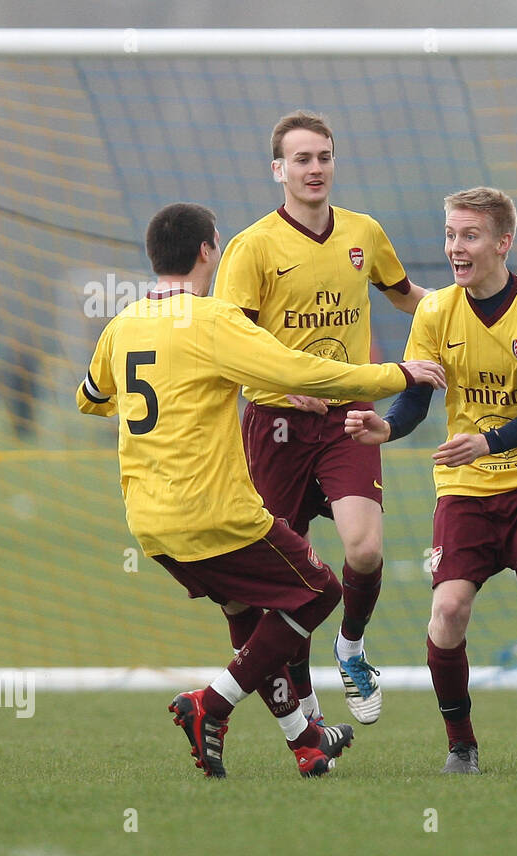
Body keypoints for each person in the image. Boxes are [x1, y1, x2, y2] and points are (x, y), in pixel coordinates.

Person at [76, 202, 444, 778]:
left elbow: (90, 397)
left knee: (249, 613)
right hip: (216, 515)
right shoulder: (213, 320)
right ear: (208, 249)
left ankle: (306, 740)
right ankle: (211, 703)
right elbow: (304, 374)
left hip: (151, 525)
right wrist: (398, 374)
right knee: (319, 591)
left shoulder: (121, 327)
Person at [345, 187, 517, 775]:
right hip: (467, 484)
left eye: (470, 236)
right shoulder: (434, 311)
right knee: (449, 609)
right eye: (452, 235)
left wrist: (487, 440)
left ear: (503, 242)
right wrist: (387, 428)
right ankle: (461, 748)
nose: (456, 248)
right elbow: (415, 397)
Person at [214, 110, 429, 727]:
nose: (315, 169)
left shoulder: (364, 232)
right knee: (292, 573)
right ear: (278, 169)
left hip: (347, 418)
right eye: (302, 159)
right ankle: (304, 709)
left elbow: (405, 295)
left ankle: (353, 648)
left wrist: (470, 304)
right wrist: (278, 383)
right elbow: (230, 338)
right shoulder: (252, 247)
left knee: (362, 549)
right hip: (276, 427)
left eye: (324, 157)